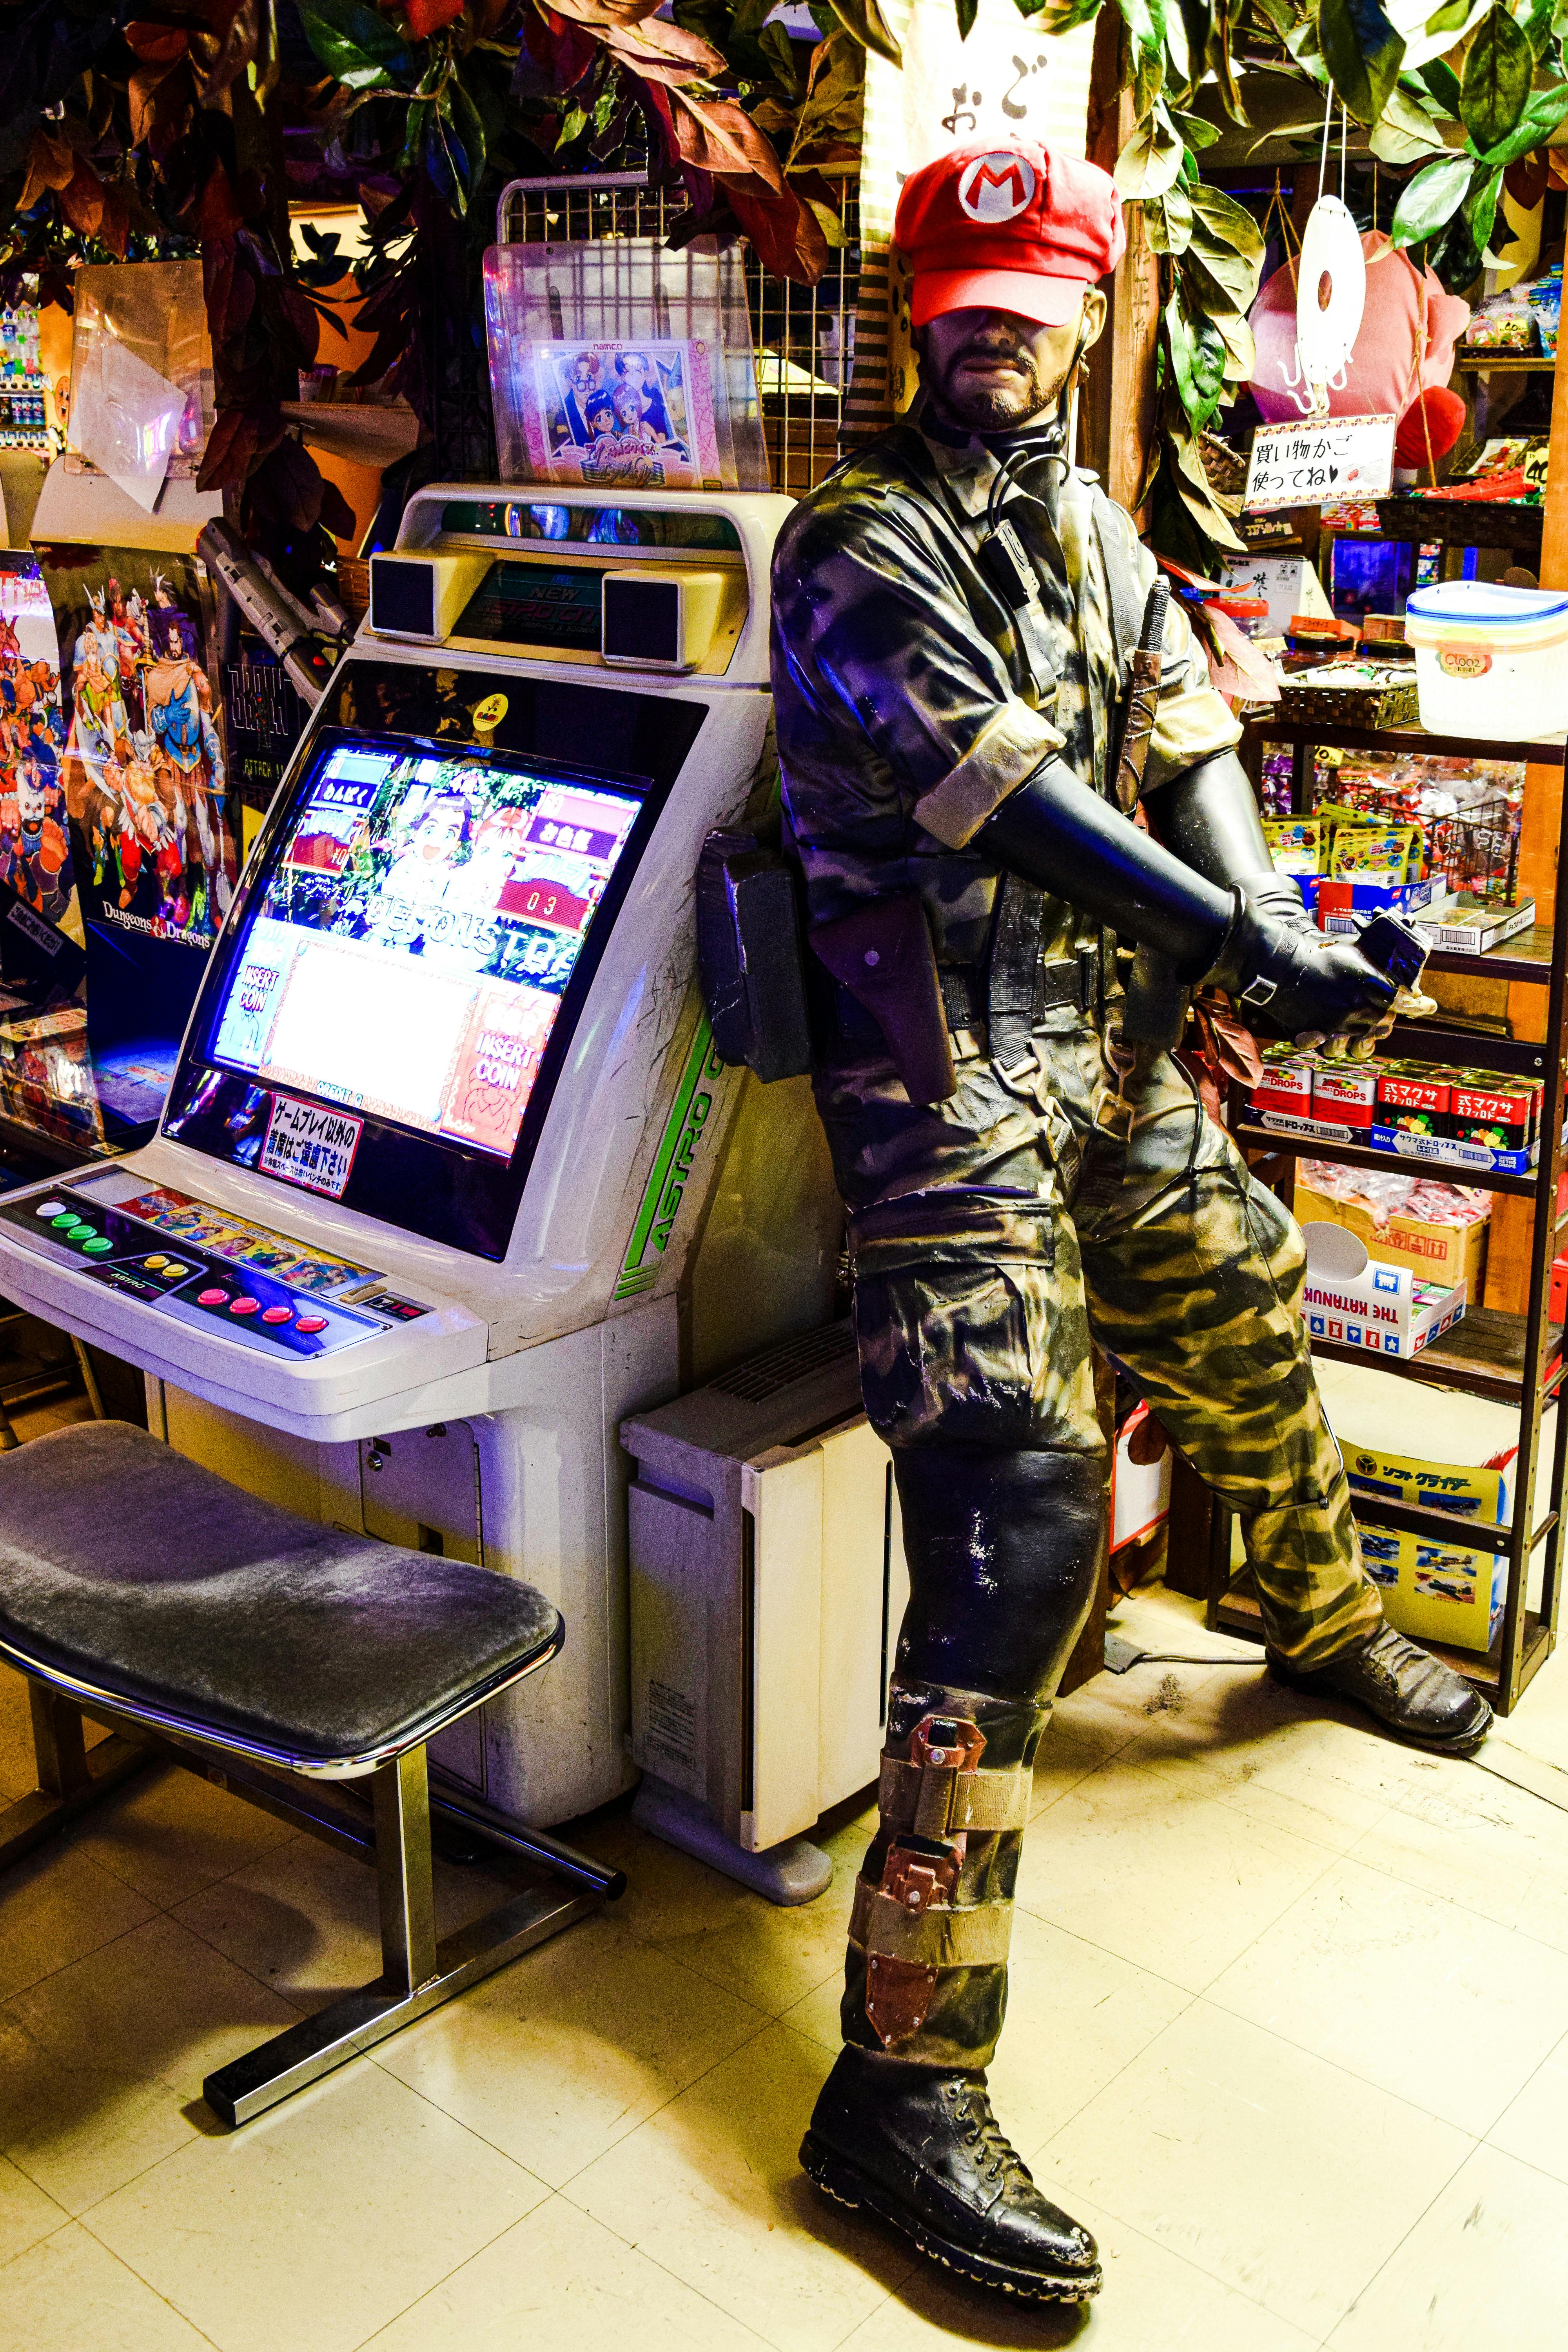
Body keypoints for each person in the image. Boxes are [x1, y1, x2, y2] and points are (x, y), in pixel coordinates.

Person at [769, 135, 1492, 2309]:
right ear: (919, 312)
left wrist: (1262, 903)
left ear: (1089, 314)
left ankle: (1307, 1607)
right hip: (945, 1091)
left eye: (1037, 298)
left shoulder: (1092, 525)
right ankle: (894, 2084)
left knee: (1255, 1297)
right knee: (1016, 1509)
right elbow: (1010, 791)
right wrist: (1237, 938)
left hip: (1102, 1065)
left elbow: (1180, 737)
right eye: (964, 295)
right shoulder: (850, 546)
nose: (1001, 327)